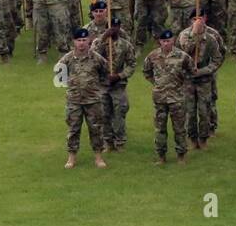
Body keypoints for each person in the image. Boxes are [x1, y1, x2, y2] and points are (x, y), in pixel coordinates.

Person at [57, 27, 109, 169]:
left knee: (96, 129)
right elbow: (59, 78)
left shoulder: (97, 59)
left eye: (84, 40)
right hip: (74, 101)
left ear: (89, 41)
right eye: (79, 40)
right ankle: (71, 157)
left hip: (93, 101)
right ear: (74, 41)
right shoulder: (66, 59)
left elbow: (105, 75)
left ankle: (98, 157)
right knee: (73, 129)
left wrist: (98, 90)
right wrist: (71, 89)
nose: (81, 43)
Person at [141, 28, 194, 165]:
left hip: (177, 98)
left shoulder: (182, 56)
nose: (166, 43)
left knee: (180, 129)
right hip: (160, 98)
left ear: (173, 40)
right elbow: (146, 71)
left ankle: (181, 155)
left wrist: (182, 83)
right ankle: (161, 156)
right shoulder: (153, 56)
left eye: (169, 40)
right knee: (160, 129)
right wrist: (157, 83)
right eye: (164, 41)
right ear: (160, 41)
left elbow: (191, 71)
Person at [176, 10, 224, 149]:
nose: (198, 21)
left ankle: (203, 138)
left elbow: (217, 59)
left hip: (204, 79)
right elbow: (185, 50)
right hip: (188, 79)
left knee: (204, 110)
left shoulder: (210, 38)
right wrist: (195, 36)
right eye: (195, 19)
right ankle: (192, 138)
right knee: (190, 111)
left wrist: (204, 71)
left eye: (200, 18)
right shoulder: (184, 35)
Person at [93, 15, 138, 151]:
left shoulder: (125, 45)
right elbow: (92, 56)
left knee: (119, 113)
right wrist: (104, 38)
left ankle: (120, 141)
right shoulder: (100, 42)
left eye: (116, 27)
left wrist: (120, 75)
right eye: (111, 27)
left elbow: (132, 64)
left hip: (118, 84)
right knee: (104, 113)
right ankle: (108, 142)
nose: (113, 29)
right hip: (103, 84)